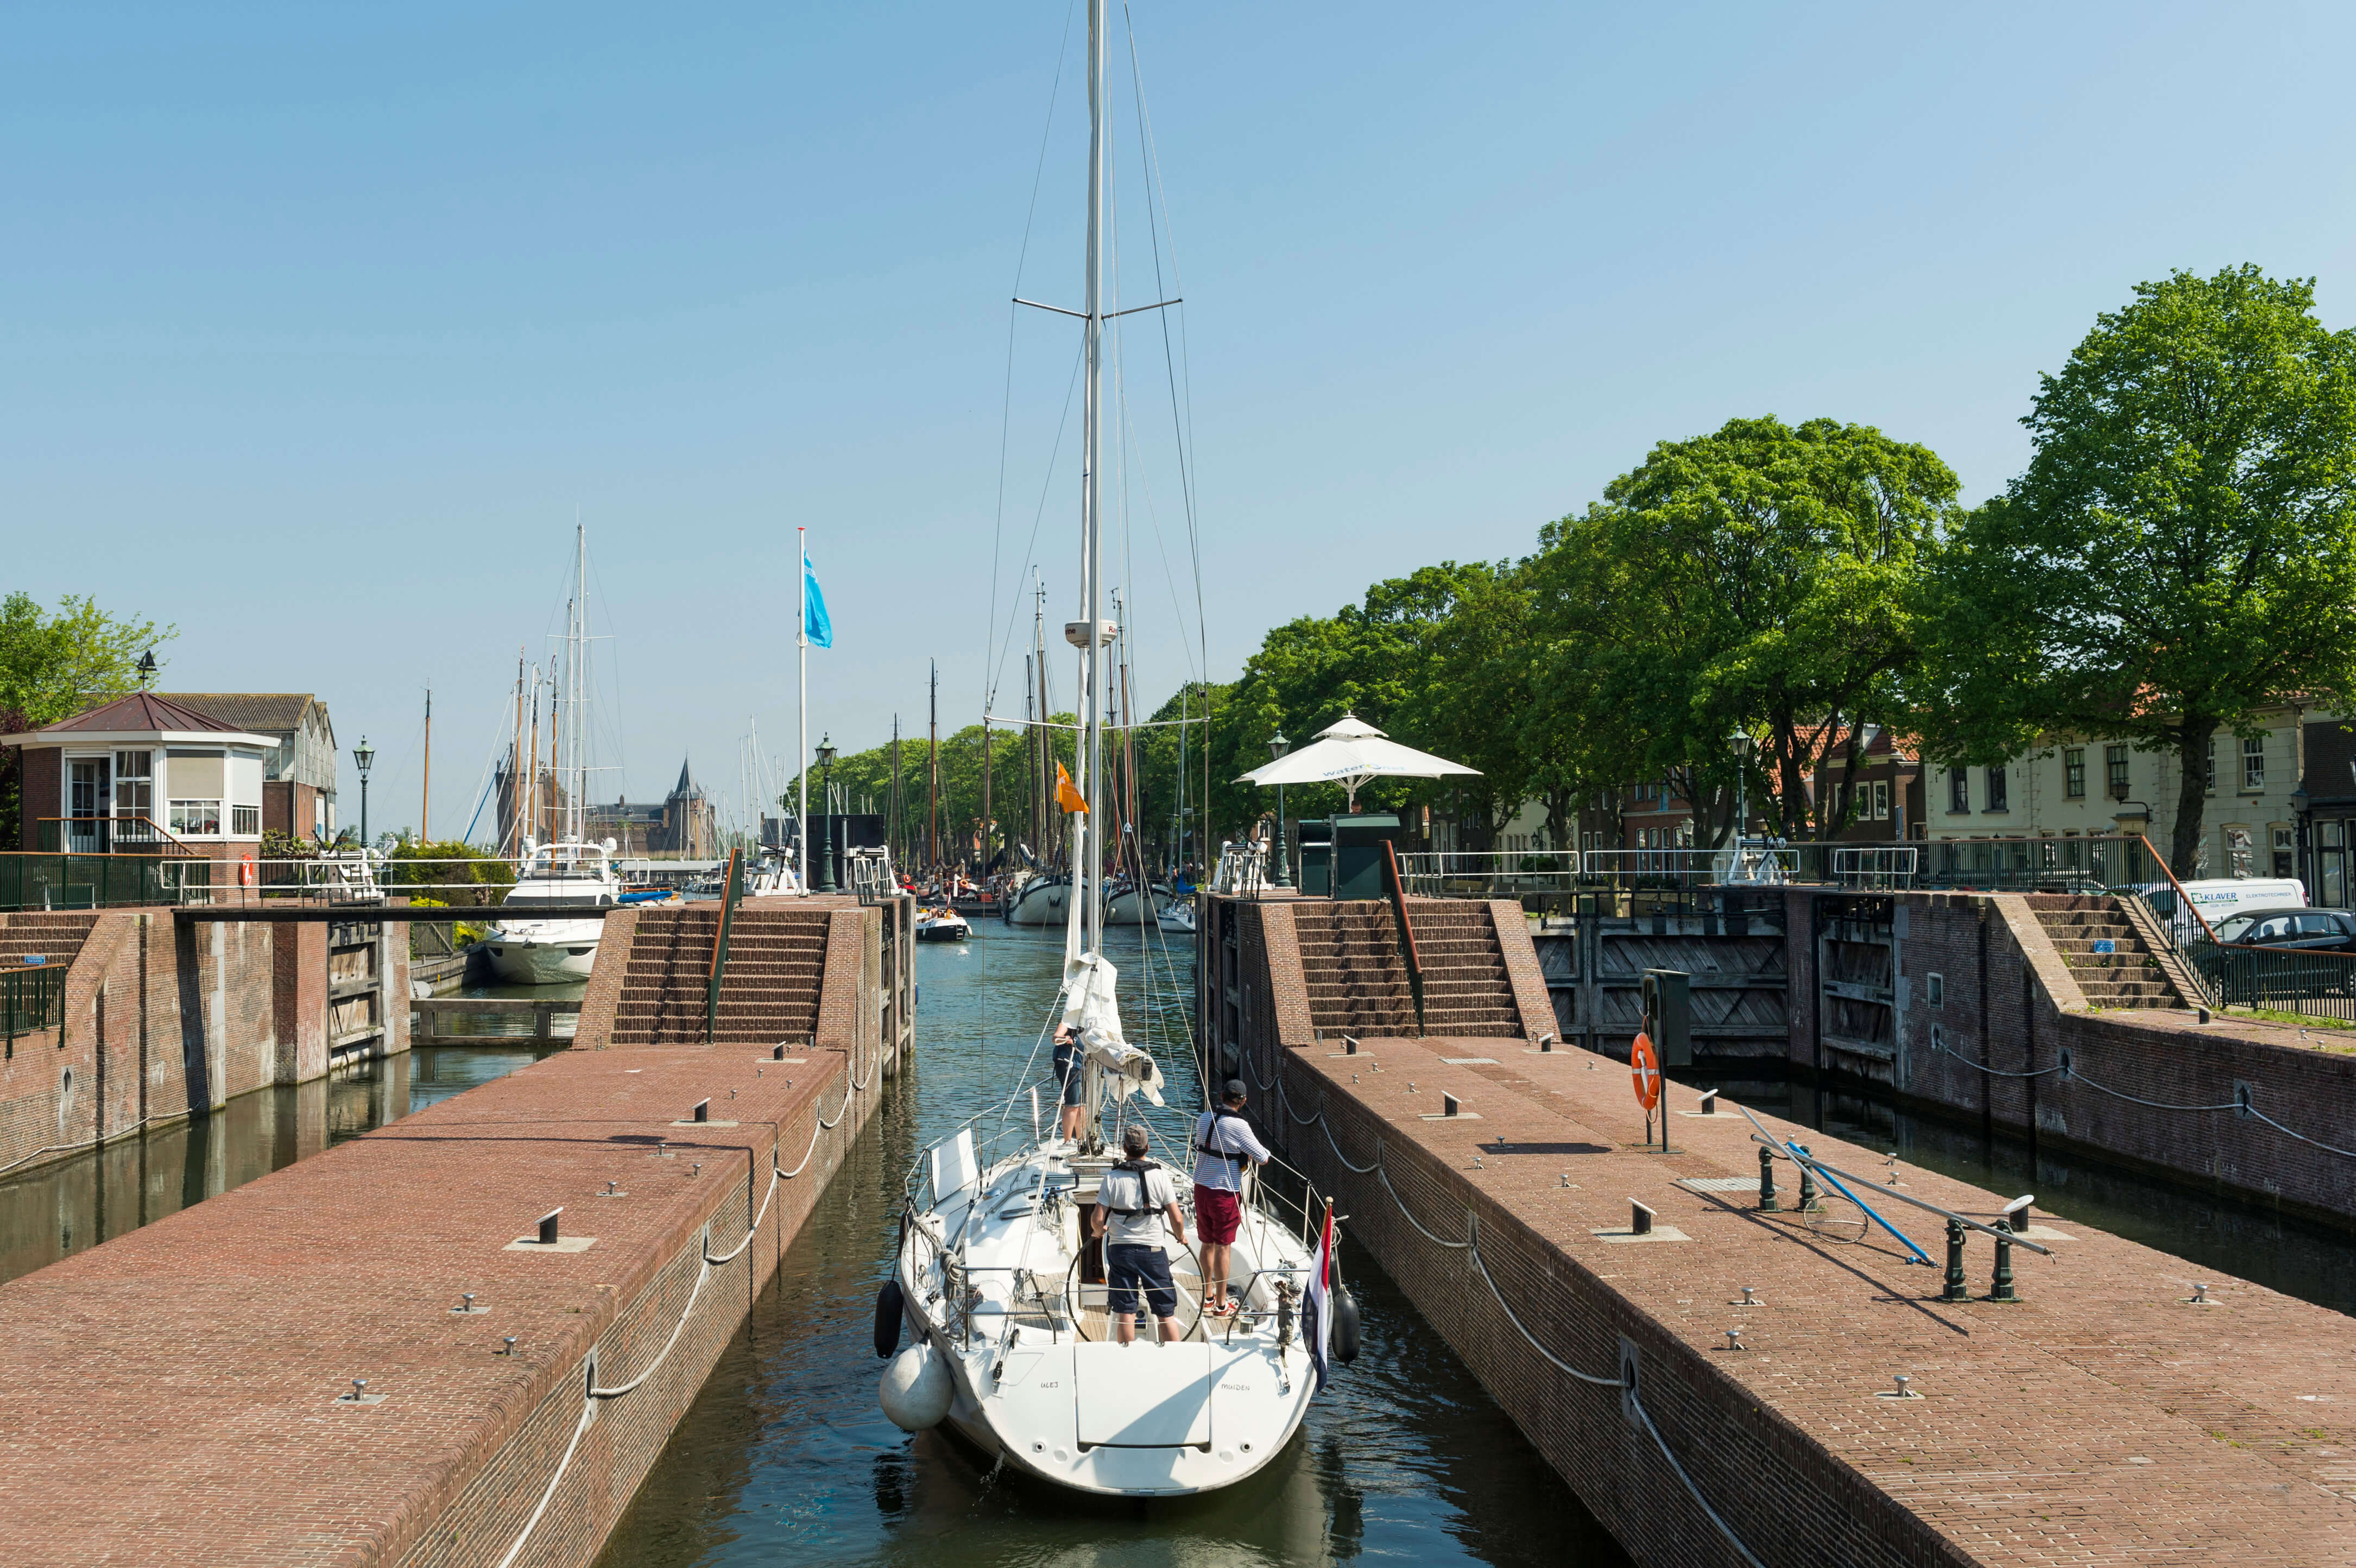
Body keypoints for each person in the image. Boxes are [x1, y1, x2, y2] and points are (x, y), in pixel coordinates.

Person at [1090, 1123, 1186, 1344]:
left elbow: (1097, 1218)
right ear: (1148, 1148)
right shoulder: (1161, 1177)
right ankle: (1175, 1357)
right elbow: (1177, 1218)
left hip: (1121, 1251)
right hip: (1153, 1251)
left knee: (1126, 1310)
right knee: (1165, 1312)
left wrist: (1098, 1232)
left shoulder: (1112, 1178)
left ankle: (1126, 1355)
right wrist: (1180, 1236)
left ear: (1124, 1148)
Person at [1191, 1078, 1271, 1318]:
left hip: (1201, 1189)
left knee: (1207, 1243)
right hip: (1224, 1193)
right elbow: (1262, 1158)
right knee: (1223, 1247)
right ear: (1243, 1101)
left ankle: (1207, 1298)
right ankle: (1221, 1305)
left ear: (1222, 1096)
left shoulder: (1204, 1118)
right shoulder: (1240, 1126)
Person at [1051, 1024, 1087, 1141]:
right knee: (1073, 1104)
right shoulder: (1068, 1022)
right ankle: (1067, 1141)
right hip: (1070, 1066)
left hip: (1085, 1066)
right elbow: (1056, 1038)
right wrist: (1066, 1039)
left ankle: (1081, 1140)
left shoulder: (1089, 1022)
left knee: (1082, 1106)